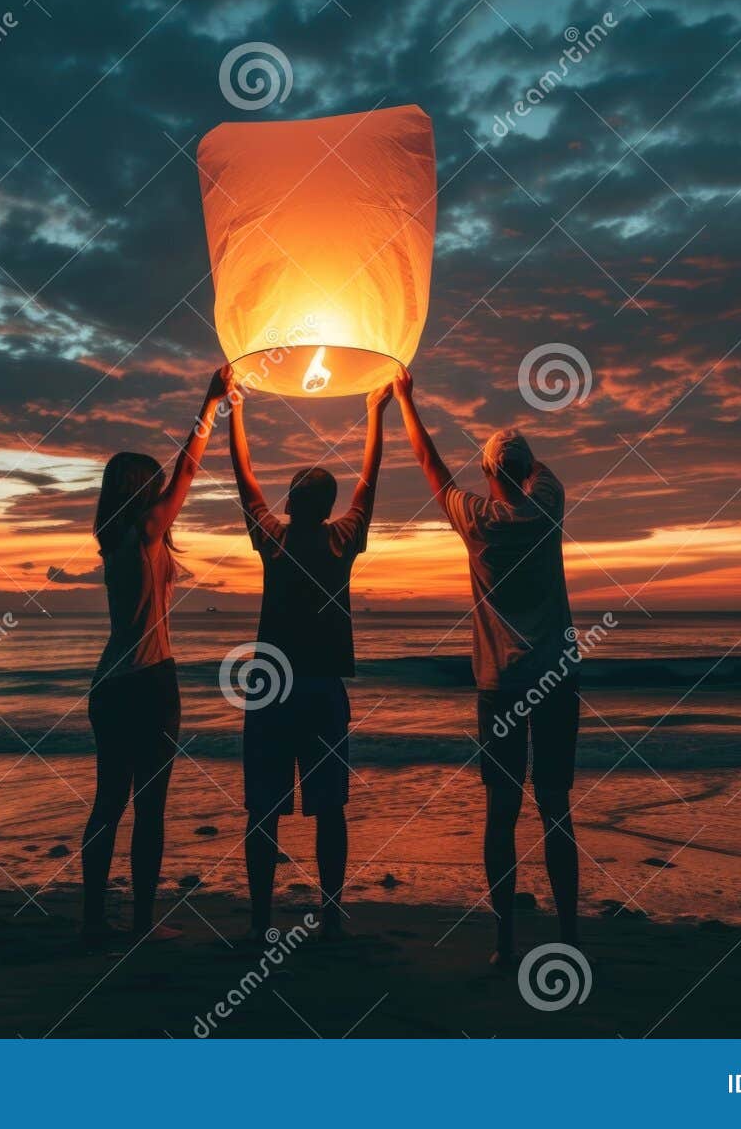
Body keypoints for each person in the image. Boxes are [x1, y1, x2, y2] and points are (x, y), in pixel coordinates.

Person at [393, 368, 578, 966]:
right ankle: (569, 938)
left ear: (488, 476)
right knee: (556, 808)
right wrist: (518, 459)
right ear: (526, 471)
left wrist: (405, 399)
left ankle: (504, 942)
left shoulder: (476, 521)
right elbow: (536, 469)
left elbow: (430, 464)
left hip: (501, 687)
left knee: (502, 812)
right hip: (555, 679)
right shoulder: (548, 506)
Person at [228, 369, 392, 941]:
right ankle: (329, 914)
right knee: (329, 807)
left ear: (293, 500)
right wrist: (377, 411)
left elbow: (243, 476)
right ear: (328, 505)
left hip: (271, 688)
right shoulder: (342, 540)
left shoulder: (272, 540)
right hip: (321, 689)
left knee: (263, 810)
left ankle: (257, 921)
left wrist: (235, 410)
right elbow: (369, 479)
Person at [81, 365, 231, 950]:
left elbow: (180, 479)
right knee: (146, 807)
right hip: (146, 685)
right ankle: (138, 923)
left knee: (111, 803)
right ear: (137, 492)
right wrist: (210, 403)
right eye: (152, 481)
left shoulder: (119, 541)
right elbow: (189, 470)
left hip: (115, 684)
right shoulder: (142, 530)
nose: (163, 486)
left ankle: (96, 918)